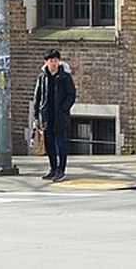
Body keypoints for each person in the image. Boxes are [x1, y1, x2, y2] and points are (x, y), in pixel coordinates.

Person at [33, 47, 76, 181]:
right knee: (49, 144)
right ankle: (53, 168)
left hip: (60, 116)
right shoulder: (42, 77)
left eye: (56, 60)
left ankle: (61, 170)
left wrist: (64, 109)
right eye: (51, 60)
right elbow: (38, 96)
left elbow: (71, 95)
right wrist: (36, 115)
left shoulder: (65, 77)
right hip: (47, 115)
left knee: (60, 144)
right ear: (46, 62)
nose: (54, 63)